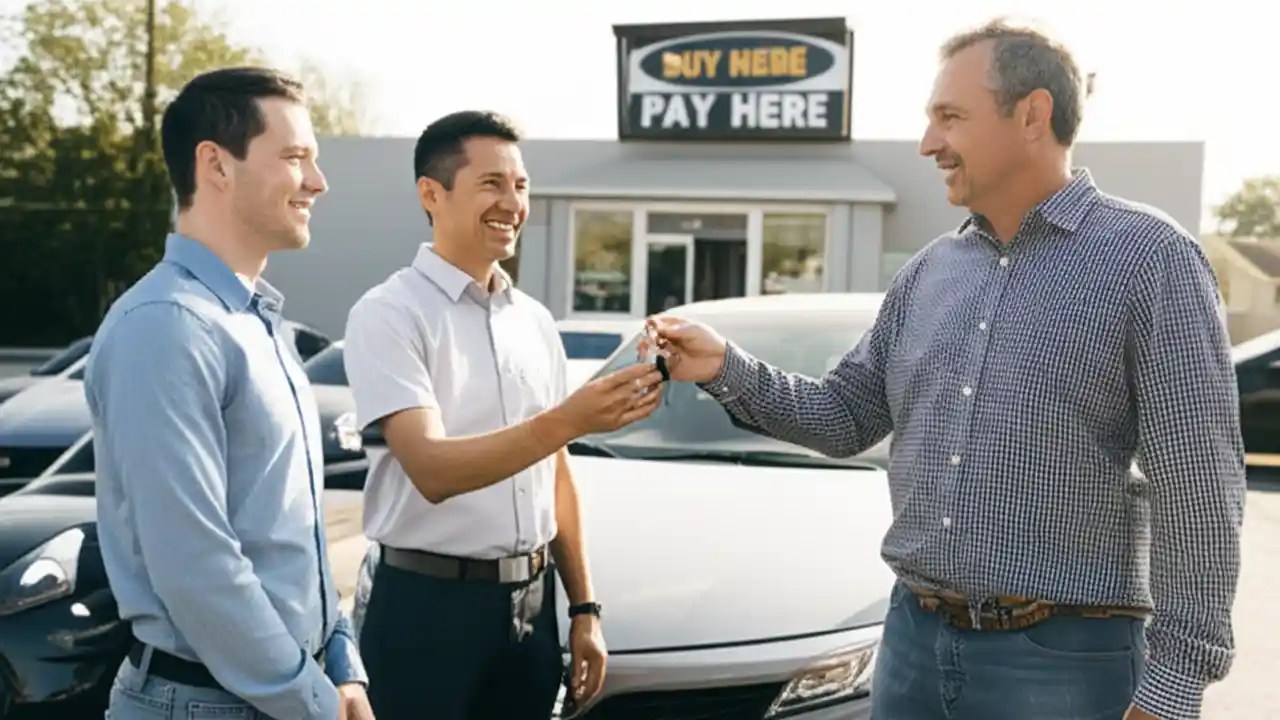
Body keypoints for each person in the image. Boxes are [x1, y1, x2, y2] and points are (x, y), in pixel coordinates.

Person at [644, 19, 1244, 720]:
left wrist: (1173, 687)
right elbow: (844, 417)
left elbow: (1200, 482)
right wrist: (725, 367)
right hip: (909, 649)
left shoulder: (1150, 260)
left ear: (1032, 115)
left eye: (949, 117)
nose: (929, 144)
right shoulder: (930, 272)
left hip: (1064, 665)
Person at [342, 110, 664, 720]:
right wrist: (569, 419)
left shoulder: (534, 321)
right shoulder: (389, 314)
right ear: (431, 195)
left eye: (521, 186)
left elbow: (555, 472)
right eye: (492, 184)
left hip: (532, 612)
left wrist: (584, 610)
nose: (512, 203)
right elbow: (431, 470)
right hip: (424, 611)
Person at [84, 67, 372, 720]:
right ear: (215, 164)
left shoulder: (252, 322)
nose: (318, 183)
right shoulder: (166, 326)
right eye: (296, 158)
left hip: (285, 693)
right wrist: (314, 703)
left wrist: (340, 664)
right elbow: (195, 568)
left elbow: (295, 538)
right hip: (203, 703)